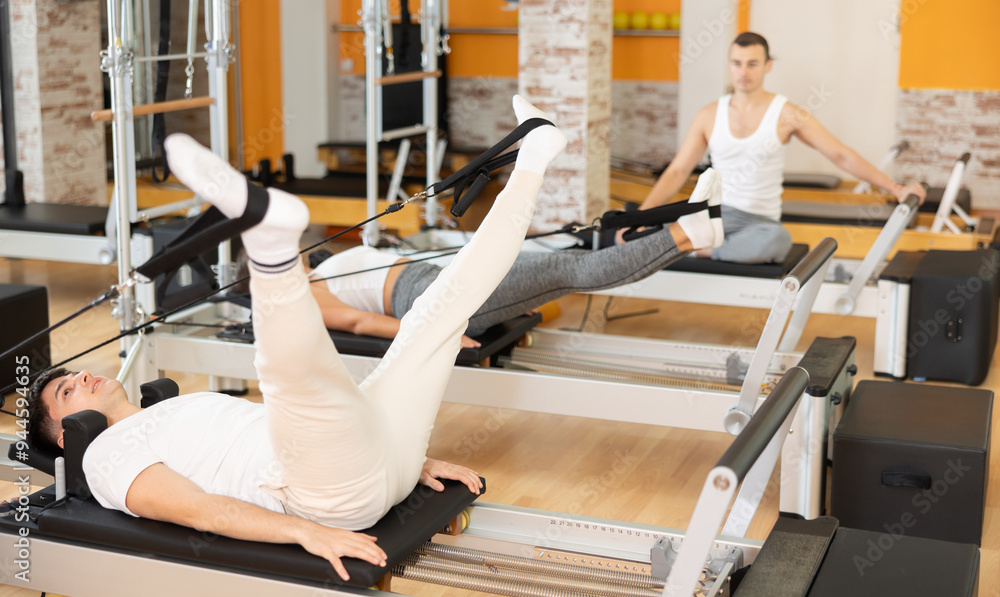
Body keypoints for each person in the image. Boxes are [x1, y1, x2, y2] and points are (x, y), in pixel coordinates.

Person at [24, 96, 584, 582]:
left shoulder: (174, 408)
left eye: (71, 375)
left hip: (375, 457)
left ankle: (535, 154)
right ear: (68, 436)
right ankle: (271, 248)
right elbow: (200, 512)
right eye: (68, 394)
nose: (81, 378)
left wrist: (407, 460)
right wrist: (303, 534)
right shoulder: (104, 458)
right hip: (323, 494)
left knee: (442, 310)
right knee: (294, 382)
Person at [307, 170, 725, 348]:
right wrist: (436, 337)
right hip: (435, 304)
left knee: (558, 258)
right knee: (566, 271)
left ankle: (690, 228)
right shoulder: (302, 296)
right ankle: (687, 233)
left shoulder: (319, 268)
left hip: (442, 280)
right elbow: (360, 322)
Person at [625, 31, 926, 263]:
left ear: (767, 66)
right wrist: (640, 218)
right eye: (737, 63)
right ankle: (682, 241)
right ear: (730, 66)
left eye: (752, 64)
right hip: (711, 215)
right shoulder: (708, 114)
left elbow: (840, 154)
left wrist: (896, 189)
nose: (744, 71)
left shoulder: (787, 114)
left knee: (778, 241)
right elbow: (678, 171)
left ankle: (697, 251)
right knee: (637, 236)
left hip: (760, 224)